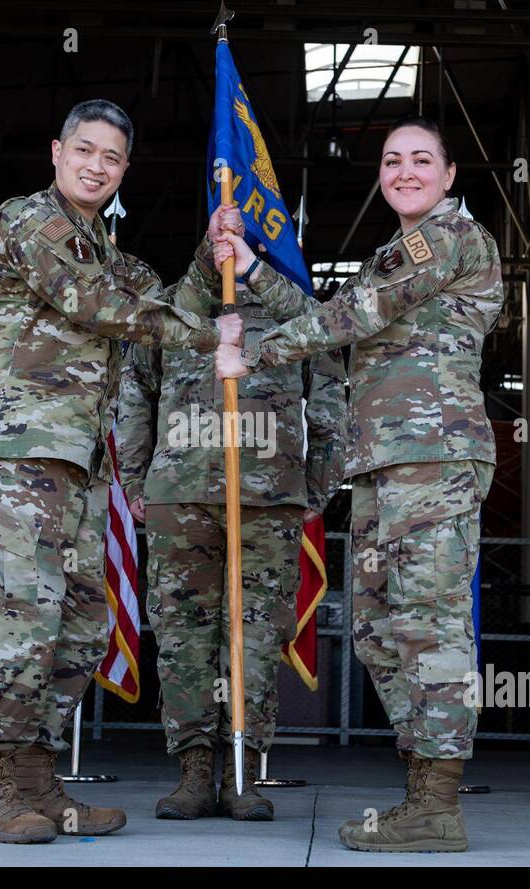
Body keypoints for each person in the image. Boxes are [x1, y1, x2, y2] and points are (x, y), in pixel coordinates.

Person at [212, 115, 504, 852]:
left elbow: (356, 315)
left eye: (421, 159)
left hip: (434, 458)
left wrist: (256, 353)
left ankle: (439, 800)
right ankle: (422, 793)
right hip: (382, 463)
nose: (405, 170)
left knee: (430, 624)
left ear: (448, 175)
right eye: (392, 160)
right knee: (378, 628)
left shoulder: (449, 237)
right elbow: (332, 316)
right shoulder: (393, 254)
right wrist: (248, 268)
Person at [0, 99, 229, 845]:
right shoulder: (26, 222)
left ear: (124, 171)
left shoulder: (111, 253)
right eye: (85, 150)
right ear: (56, 151)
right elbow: (107, 306)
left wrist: (213, 253)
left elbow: (163, 300)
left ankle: (40, 782)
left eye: (111, 158)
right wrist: (213, 339)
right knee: (18, 619)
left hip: (81, 469)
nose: (96, 166)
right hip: (18, 455)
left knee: (79, 625)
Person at [117, 231, 346, 821]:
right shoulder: (169, 312)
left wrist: (317, 485)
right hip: (181, 494)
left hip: (269, 499)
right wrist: (140, 479)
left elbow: (328, 403)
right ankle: (194, 769)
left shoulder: (294, 314)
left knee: (256, 635)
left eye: (234, 240)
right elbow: (134, 396)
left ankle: (242, 771)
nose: (223, 249)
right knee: (183, 636)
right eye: (214, 239)